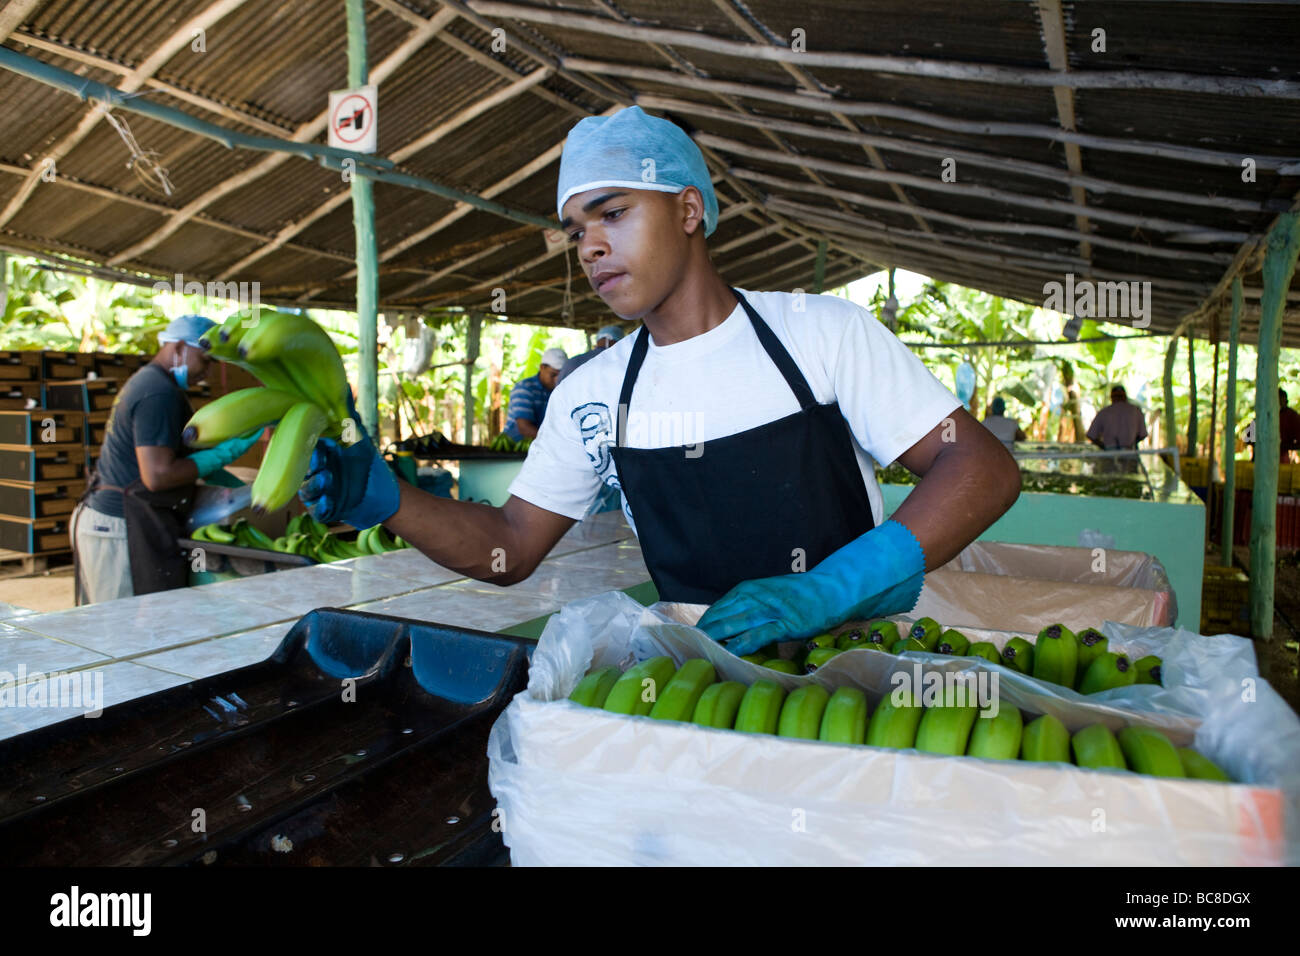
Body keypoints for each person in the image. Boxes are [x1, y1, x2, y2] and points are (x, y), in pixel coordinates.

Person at [299, 105, 1020, 654]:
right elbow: (511, 548)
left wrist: (830, 590)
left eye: (612, 213)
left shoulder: (820, 335)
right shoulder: (592, 394)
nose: (592, 247)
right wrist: (394, 501)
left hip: (857, 666)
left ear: (688, 208)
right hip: (707, 680)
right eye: (577, 229)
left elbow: (981, 469)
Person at [70, 315, 261, 604]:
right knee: (120, 631)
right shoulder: (158, 393)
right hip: (118, 526)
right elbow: (157, 475)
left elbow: (174, 454)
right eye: (206, 360)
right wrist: (220, 455)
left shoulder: (155, 384)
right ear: (180, 348)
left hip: (115, 521)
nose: (207, 372)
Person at [502, 347, 567, 443]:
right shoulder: (524, 388)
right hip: (517, 446)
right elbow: (524, 428)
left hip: (543, 445)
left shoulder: (560, 391)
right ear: (542, 368)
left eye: (560, 375)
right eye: (553, 375)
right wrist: (554, 442)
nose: (556, 380)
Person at [1086, 384, 1147, 472]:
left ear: (1112, 397)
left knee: (1111, 480)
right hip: (1129, 452)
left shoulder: (1104, 412)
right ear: (1125, 396)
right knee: (1131, 481)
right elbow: (1143, 434)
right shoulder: (1135, 411)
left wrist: (1104, 447)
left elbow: (1091, 435)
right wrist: (1132, 443)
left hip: (1110, 453)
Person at [557, 325, 625, 385]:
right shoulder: (619, 362)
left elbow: (557, 391)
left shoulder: (573, 362)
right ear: (619, 342)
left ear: (598, 340)